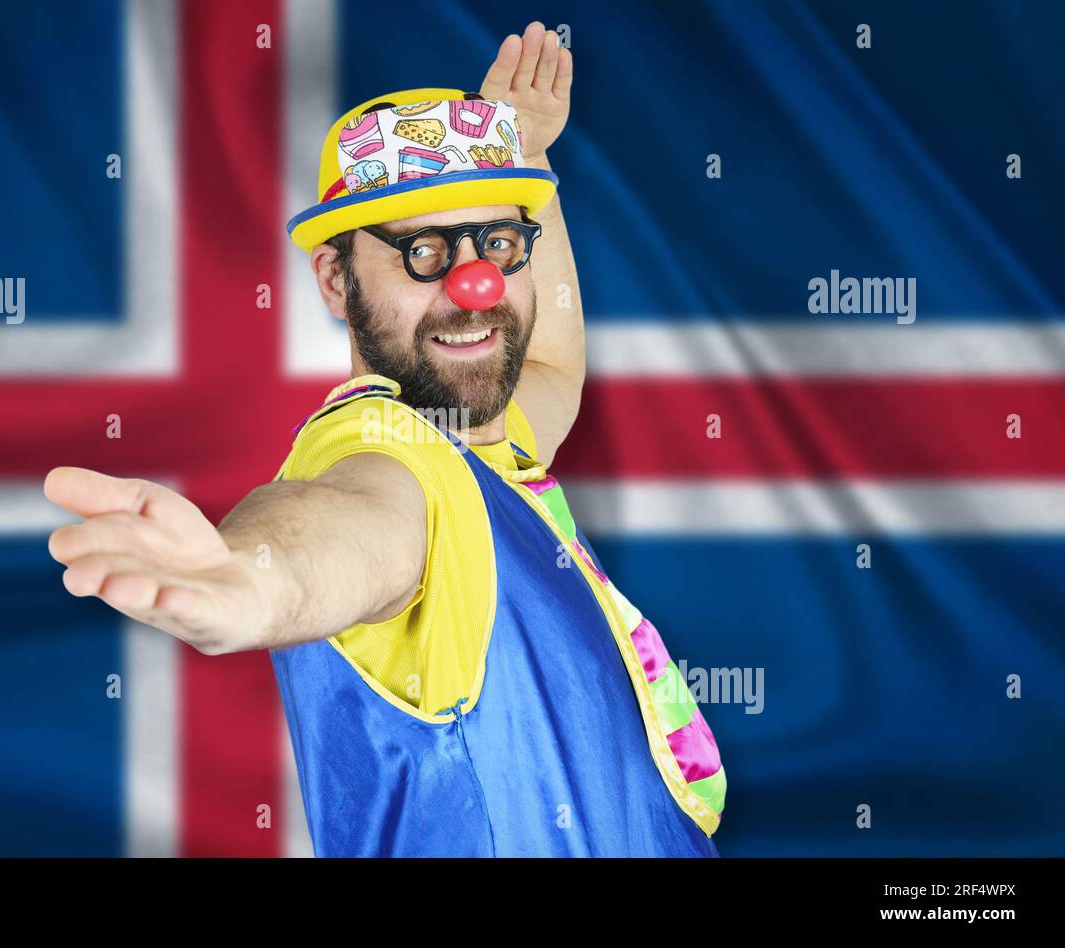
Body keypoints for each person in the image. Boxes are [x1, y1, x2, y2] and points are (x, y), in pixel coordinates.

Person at [45, 22, 725, 857]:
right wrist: (253, 580)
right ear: (336, 280)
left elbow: (551, 364)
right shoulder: (388, 449)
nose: (475, 289)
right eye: (426, 251)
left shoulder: (488, 450)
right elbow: (354, 520)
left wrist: (530, 165)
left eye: (499, 245)